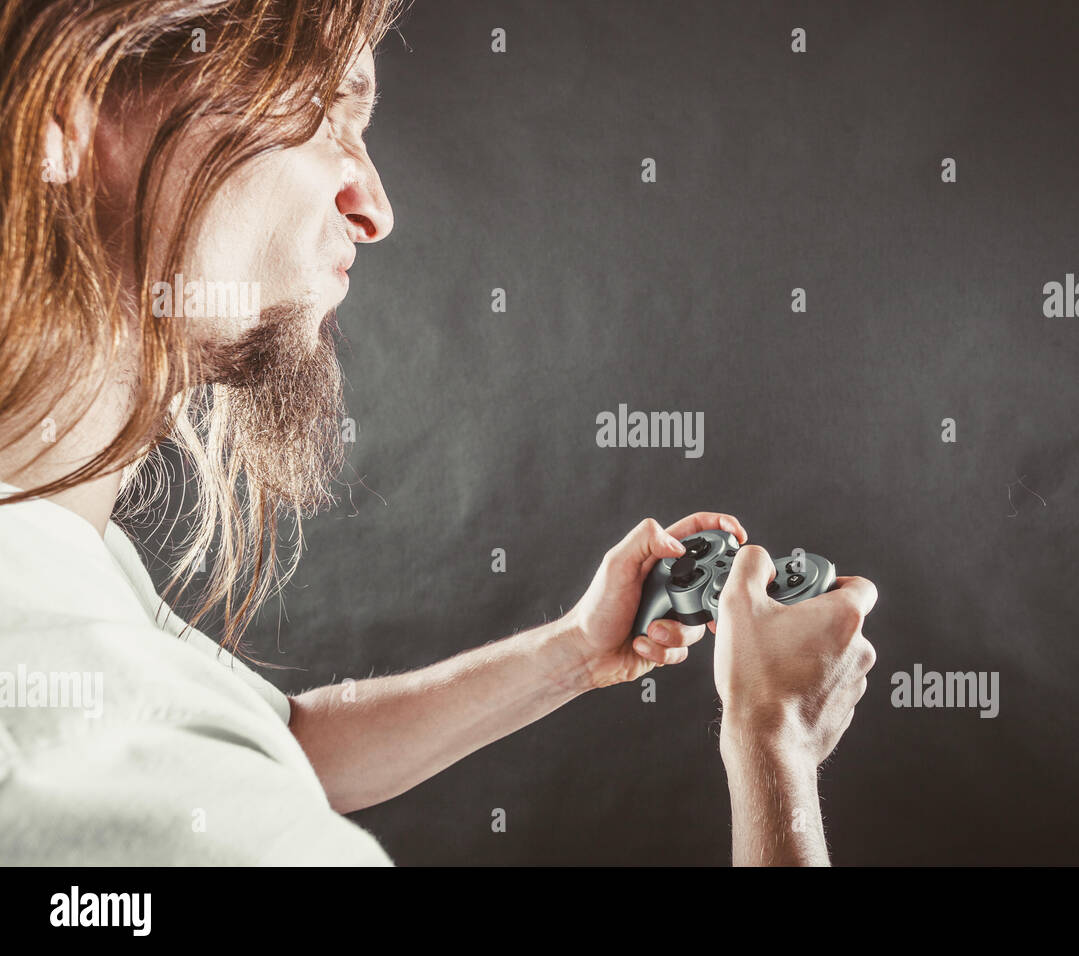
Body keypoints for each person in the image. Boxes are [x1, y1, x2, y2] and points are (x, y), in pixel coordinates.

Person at [0, 0, 877, 866]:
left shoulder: (51, 549)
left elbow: (283, 748)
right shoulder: (95, 758)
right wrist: (775, 747)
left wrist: (576, 650)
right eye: (321, 112)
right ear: (64, 120)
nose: (374, 207)